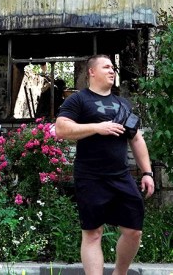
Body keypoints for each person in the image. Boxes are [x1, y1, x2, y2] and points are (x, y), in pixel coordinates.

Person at [56, 55, 154, 275]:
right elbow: (61, 129)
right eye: (106, 67)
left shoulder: (123, 104)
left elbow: (136, 138)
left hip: (120, 176)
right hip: (90, 176)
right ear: (92, 71)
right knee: (93, 233)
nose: (112, 71)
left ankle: (120, 273)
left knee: (134, 231)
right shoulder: (78, 100)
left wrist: (147, 172)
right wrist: (97, 127)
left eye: (113, 67)